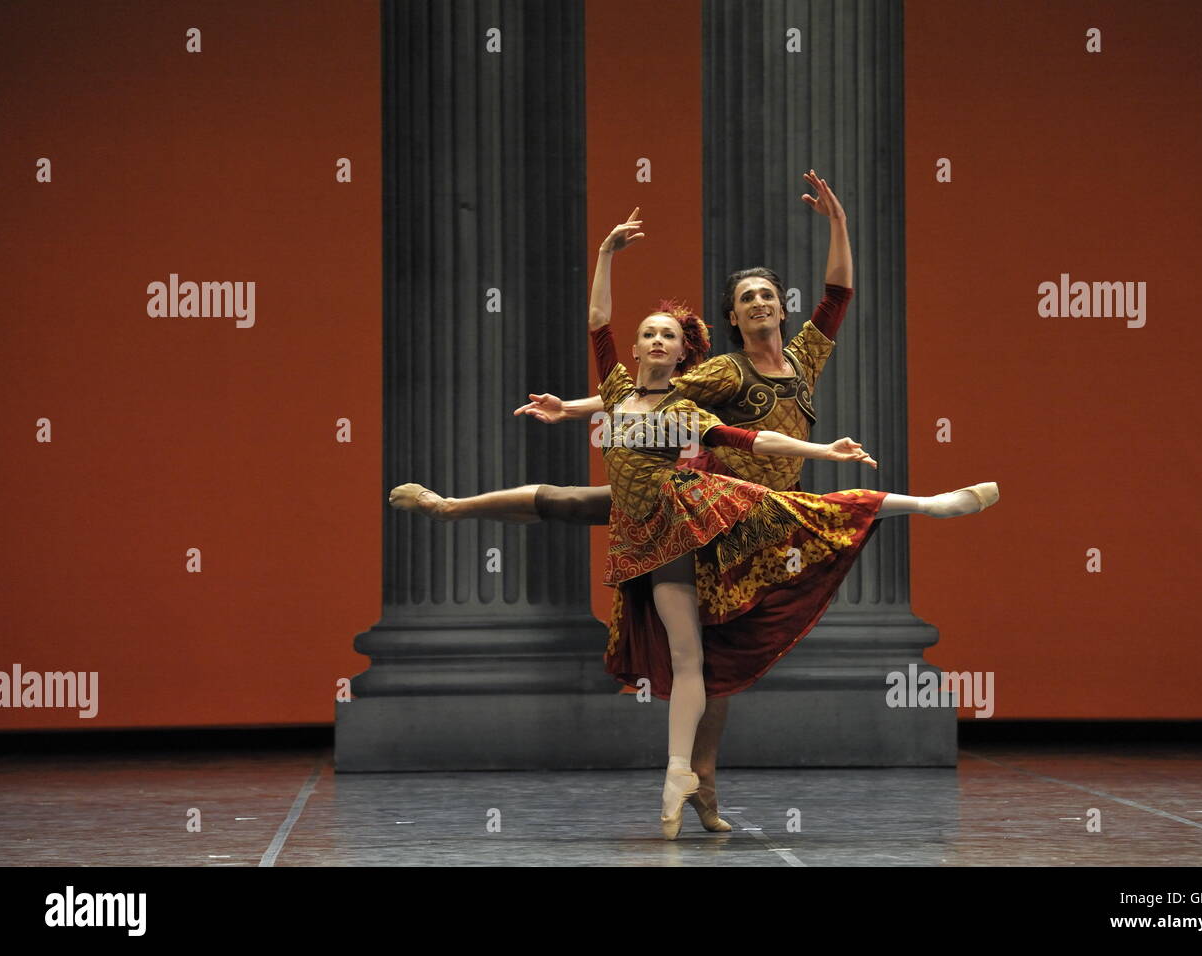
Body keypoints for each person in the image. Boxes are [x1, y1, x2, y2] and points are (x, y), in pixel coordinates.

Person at [391, 210, 1000, 840]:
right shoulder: (720, 372)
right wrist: (572, 404)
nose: (760, 303)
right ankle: (697, 783)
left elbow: (835, 298)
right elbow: (648, 381)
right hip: (703, 509)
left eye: (767, 294)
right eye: (746, 298)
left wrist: (841, 222)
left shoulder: (803, 359)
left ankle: (695, 778)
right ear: (732, 316)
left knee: (720, 642)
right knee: (593, 525)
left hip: (745, 512)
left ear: (781, 308)